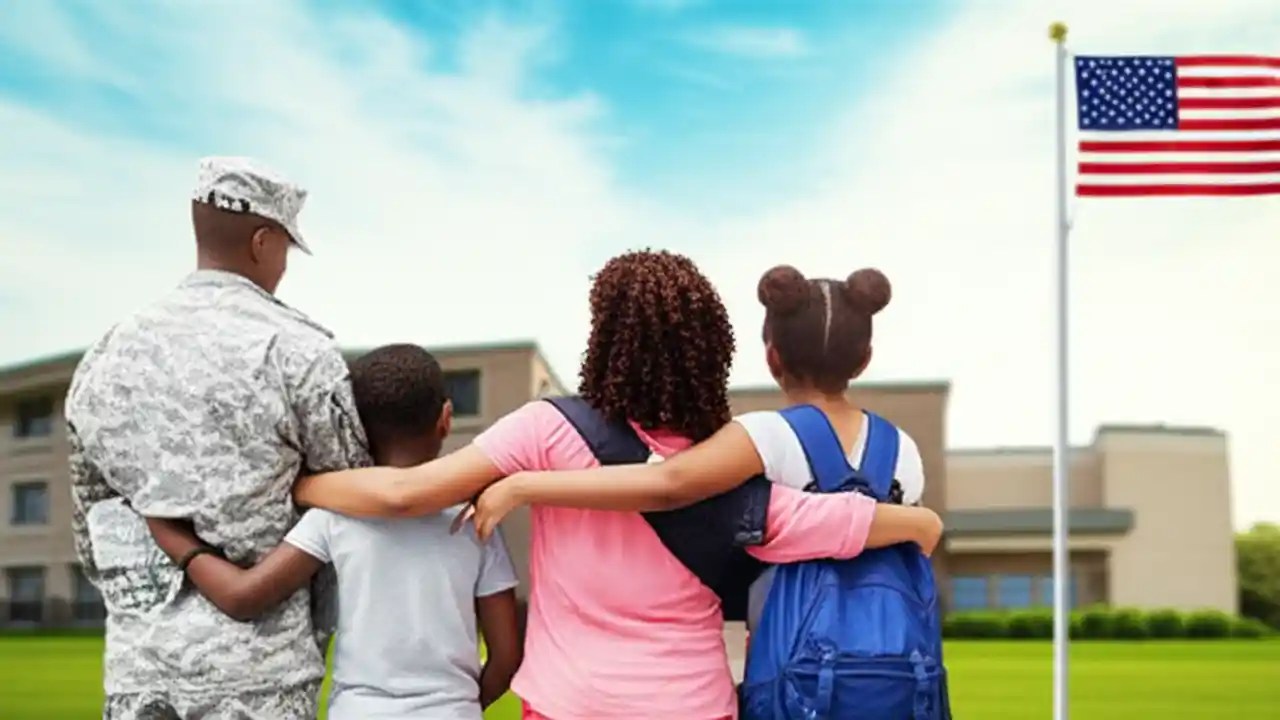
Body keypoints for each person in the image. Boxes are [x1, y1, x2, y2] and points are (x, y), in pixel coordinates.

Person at [292, 250, 943, 720]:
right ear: (712, 348)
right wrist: (917, 524)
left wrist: (303, 488)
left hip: (567, 704)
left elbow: (406, 495)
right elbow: (830, 522)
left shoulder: (543, 432)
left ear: (604, 338)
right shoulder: (733, 462)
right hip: (690, 704)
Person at [66, 157, 370, 719]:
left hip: (141, 674)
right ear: (262, 241)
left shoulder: (106, 356)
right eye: (284, 246)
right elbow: (352, 503)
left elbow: (94, 528)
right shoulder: (299, 352)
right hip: (261, 677)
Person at [466, 265, 927, 628]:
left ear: (773, 356)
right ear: (864, 360)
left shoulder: (763, 434)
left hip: (794, 652)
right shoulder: (903, 449)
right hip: (892, 648)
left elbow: (668, 483)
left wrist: (527, 486)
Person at [142, 345, 522, 719]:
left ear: (355, 428)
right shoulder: (477, 519)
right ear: (446, 418)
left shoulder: (335, 516)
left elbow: (243, 597)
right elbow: (506, 657)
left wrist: (170, 534)